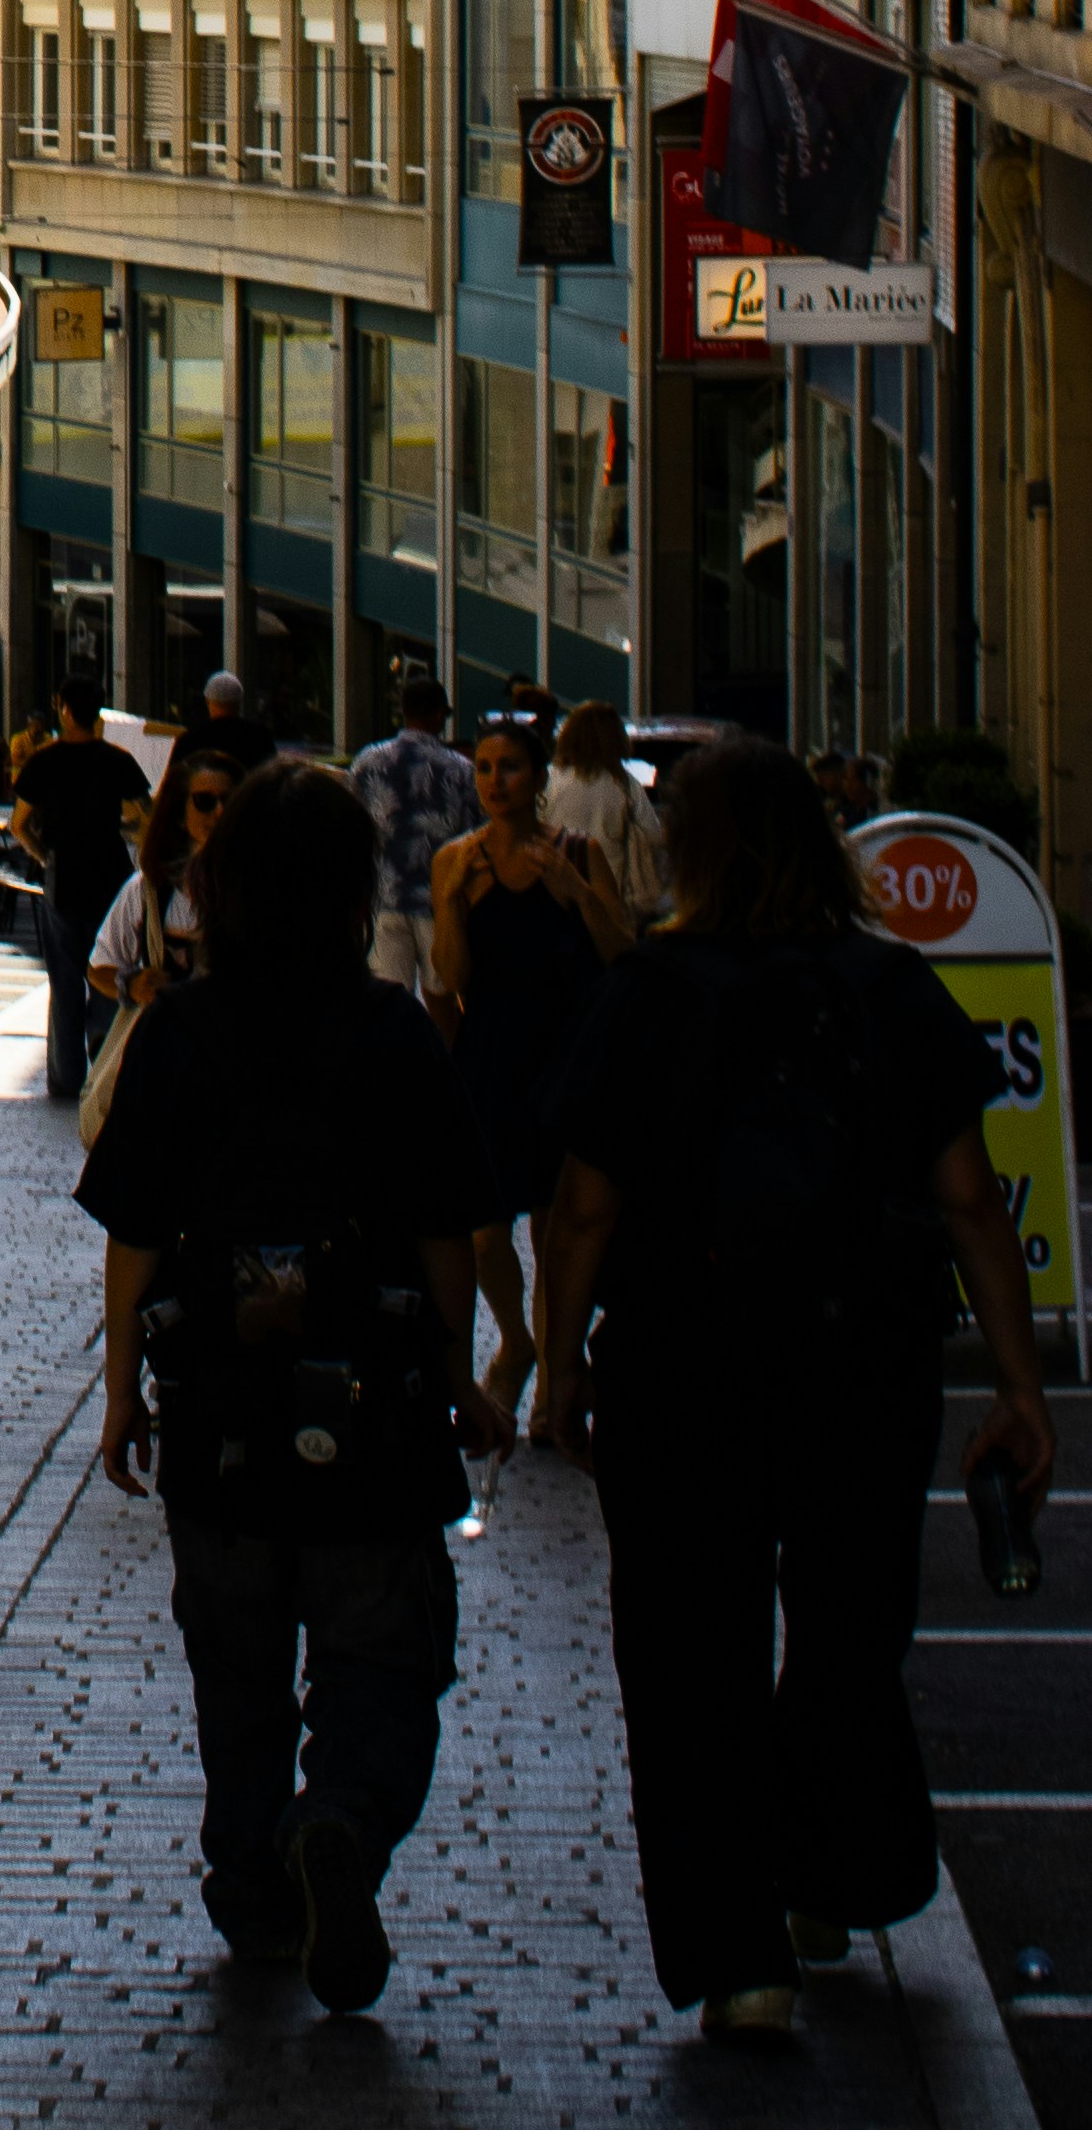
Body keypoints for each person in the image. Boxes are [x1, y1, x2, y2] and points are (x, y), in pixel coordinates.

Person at [533, 735, 1056, 2041]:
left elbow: (584, 1207)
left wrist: (556, 1368)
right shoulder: (891, 988)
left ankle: (737, 1961)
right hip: (861, 1359)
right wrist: (1018, 1382)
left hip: (678, 1363)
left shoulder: (649, 990)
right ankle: (826, 1879)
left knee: (686, 1652)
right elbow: (971, 1201)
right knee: (845, 1625)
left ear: (690, 852)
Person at [82, 754, 507, 2011]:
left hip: (216, 1398)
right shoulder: (392, 1031)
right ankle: (345, 1821)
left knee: (237, 1657)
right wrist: (459, 1366)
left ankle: (256, 1875)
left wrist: (121, 1389)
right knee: (384, 1651)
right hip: (372, 1396)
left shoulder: (181, 1033)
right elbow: (448, 1225)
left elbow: (132, 1233)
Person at [431, 718, 631, 1407]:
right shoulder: (456, 861)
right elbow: (450, 974)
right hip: (490, 1053)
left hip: (564, 1054)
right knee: (485, 1233)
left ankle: (554, 1375)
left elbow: (623, 958)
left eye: (510, 767)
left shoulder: (577, 851)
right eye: (483, 768)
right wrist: (454, 904)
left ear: (541, 777)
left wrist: (577, 894)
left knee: (557, 1229)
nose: (495, 781)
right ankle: (516, 1339)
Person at [9, 676, 151, 1102]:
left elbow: (19, 825)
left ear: (63, 708)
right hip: (110, 875)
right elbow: (147, 816)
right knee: (109, 971)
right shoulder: (118, 760)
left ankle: (66, 1077)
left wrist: (42, 855)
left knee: (65, 979)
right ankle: (104, 1066)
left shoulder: (43, 761)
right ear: (99, 712)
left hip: (64, 875)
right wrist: (124, 829)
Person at [93, 732, 249, 1008]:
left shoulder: (262, 887)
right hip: (169, 1043)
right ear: (179, 815)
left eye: (230, 799)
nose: (220, 812)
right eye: (205, 802)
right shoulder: (147, 890)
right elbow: (100, 966)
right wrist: (133, 984)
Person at [351, 673, 479, 994]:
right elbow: (475, 834)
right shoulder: (460, 769)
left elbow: (350, 826)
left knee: (388, 998)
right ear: (439, 715)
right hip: (439, 901)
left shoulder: (368, 762)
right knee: (443, 997)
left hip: (384, 896)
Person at [544, 701, 666, 921]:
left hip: (554, 894)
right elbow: (653, 836)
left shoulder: (548, 780)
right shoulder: (625, 785)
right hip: (609, 901)